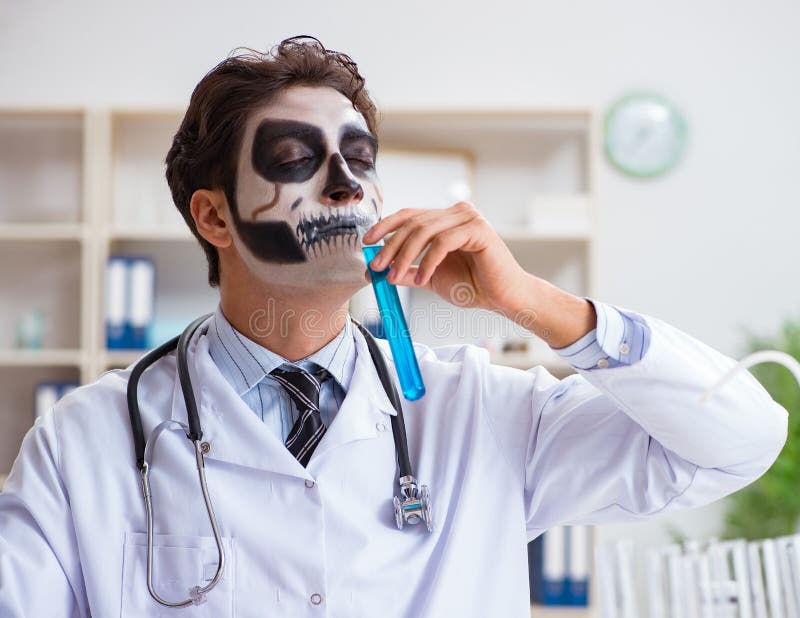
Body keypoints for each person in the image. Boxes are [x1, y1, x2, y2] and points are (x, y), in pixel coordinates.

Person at [0, 36, 788, 617]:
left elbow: (740, 442)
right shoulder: (87, 440)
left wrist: (533, 304)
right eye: (293, 158)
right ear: (214, 216)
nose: (344, 184)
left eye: (359, 157)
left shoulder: (481, 411)